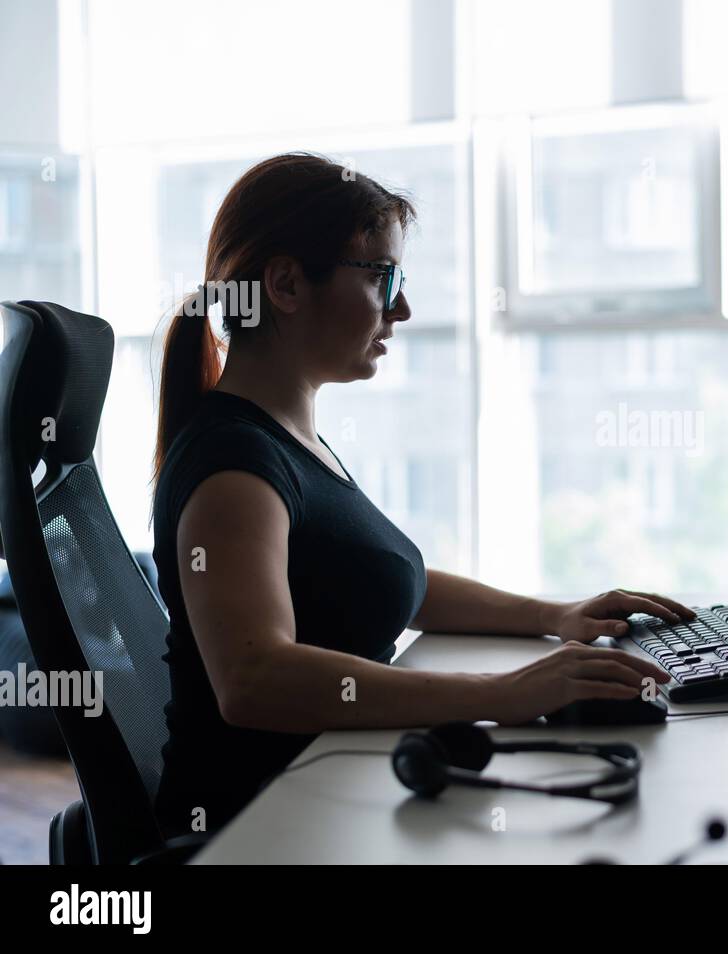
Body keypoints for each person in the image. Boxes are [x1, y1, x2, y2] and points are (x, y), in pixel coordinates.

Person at [150, 152, 690, 837]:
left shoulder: (284, 439)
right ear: (286, 284)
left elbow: (381, 577)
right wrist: (501, 695)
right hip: (255, 836)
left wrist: (557, 615)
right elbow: (253, 678)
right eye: (382, 277)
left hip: (327, 796)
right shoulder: (233, 466)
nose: (401, 307)